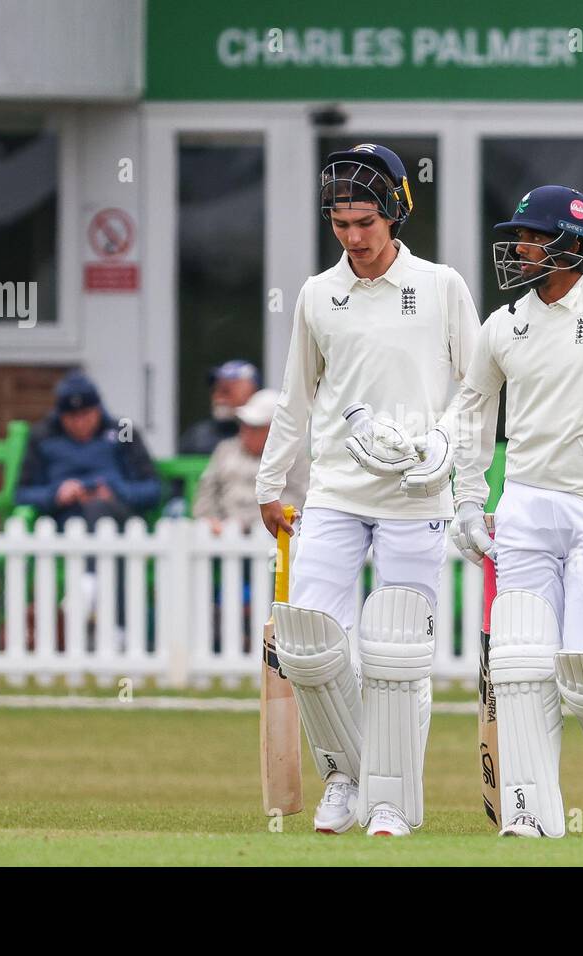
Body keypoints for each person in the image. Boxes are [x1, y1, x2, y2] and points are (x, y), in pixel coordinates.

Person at [365, 185, 583, 838]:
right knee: (523, 666)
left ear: (574, 246)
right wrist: (470, 502)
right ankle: (529, 811)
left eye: (534, 236)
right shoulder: (503, 327)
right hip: (526, 506)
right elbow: (471, 416)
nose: (520, 247)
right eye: (519, 236)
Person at [255, 143, 483, 837]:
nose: (354, 238)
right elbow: (296, 396)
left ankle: (389, 797)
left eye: (366, 223)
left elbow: (477, 392)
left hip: (417, 496)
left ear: (395, 214)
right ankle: (345, 778)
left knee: (397, 657)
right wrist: (271, 479)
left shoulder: (442, 285)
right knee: (313, 646)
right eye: (341, 223)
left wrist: (451, 456)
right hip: (336, 490)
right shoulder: (318, 294)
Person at [15, 372, 161, 529]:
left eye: (86, 414)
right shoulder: (42, 435)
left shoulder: (123, 430)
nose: (79, 423)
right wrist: (56, 495)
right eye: (72, 417)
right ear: (60, 415)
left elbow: (152, 489)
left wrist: (116, 491)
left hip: (116, 514)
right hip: (64, 518)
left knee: (96, 509)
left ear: (98, 409)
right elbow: (22, 493)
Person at [192, 389, 308, 533]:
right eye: (244, 424)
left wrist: (250, 522)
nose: (245, 431)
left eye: (255, 427)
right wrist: (211, 519)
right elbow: (206, 492)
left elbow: (298, 498)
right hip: (220, 535)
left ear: (274, 430)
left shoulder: (295, 456)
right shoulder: (225, 450)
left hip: (269, 535)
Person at [178, 360, 259, 456]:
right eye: (215, 390)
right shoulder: (197, 437)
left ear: (252, 392)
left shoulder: (269, 433)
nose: (218, 397)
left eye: (226, 390)